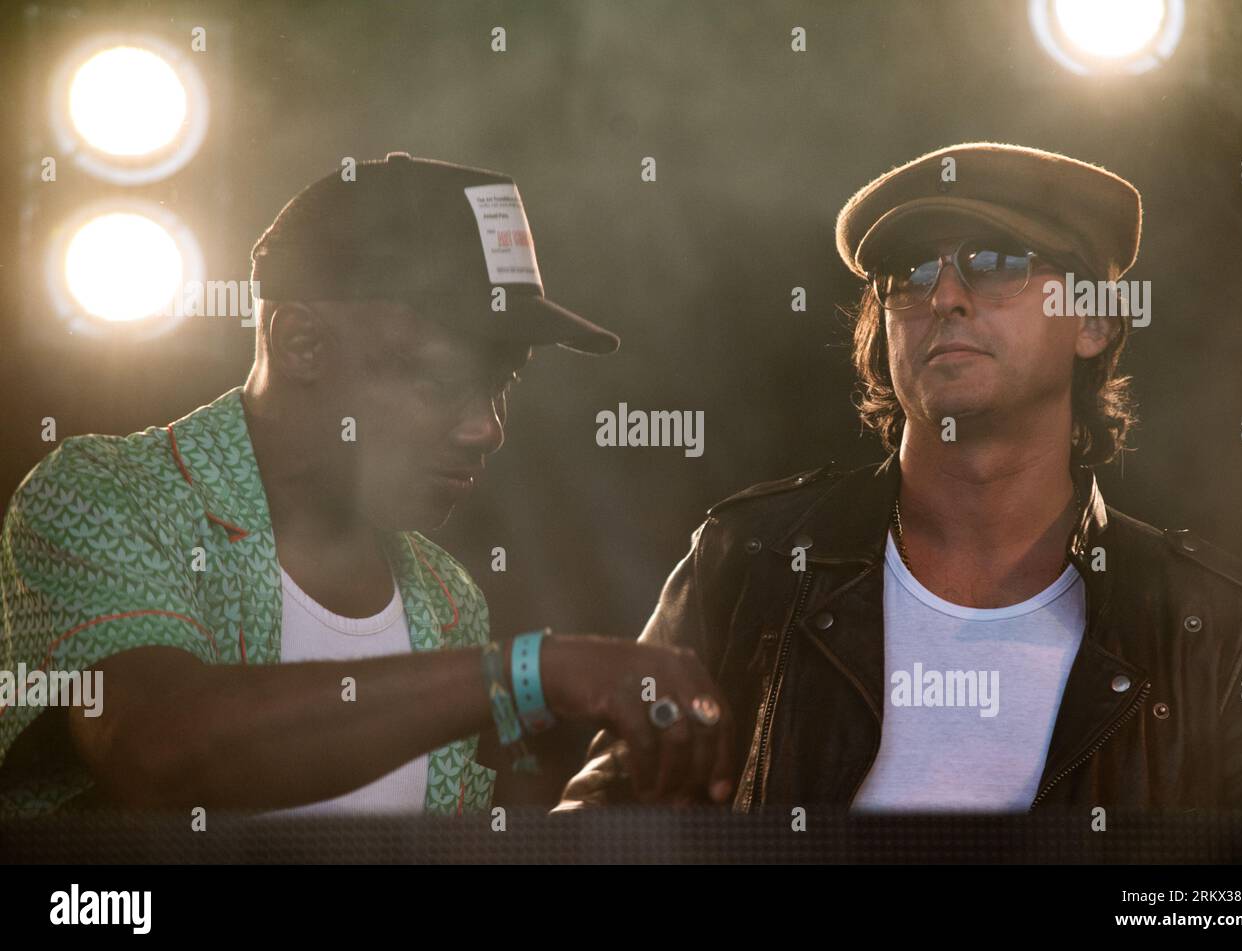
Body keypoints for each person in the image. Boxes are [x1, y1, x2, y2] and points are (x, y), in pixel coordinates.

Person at [556, 142, 1242, 812]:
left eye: (998, 260)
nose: (943, 296)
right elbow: (604, 829)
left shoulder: (1211, 629)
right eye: (908, 274)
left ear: (1095, 321)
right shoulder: (749, 561)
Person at [0, 153, 733, 817]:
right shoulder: (105, 495)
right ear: (301, 342)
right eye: (441, 378)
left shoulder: (445, 598)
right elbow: (158, 754)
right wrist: (531, 673)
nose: (487, 427)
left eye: (500, 385)